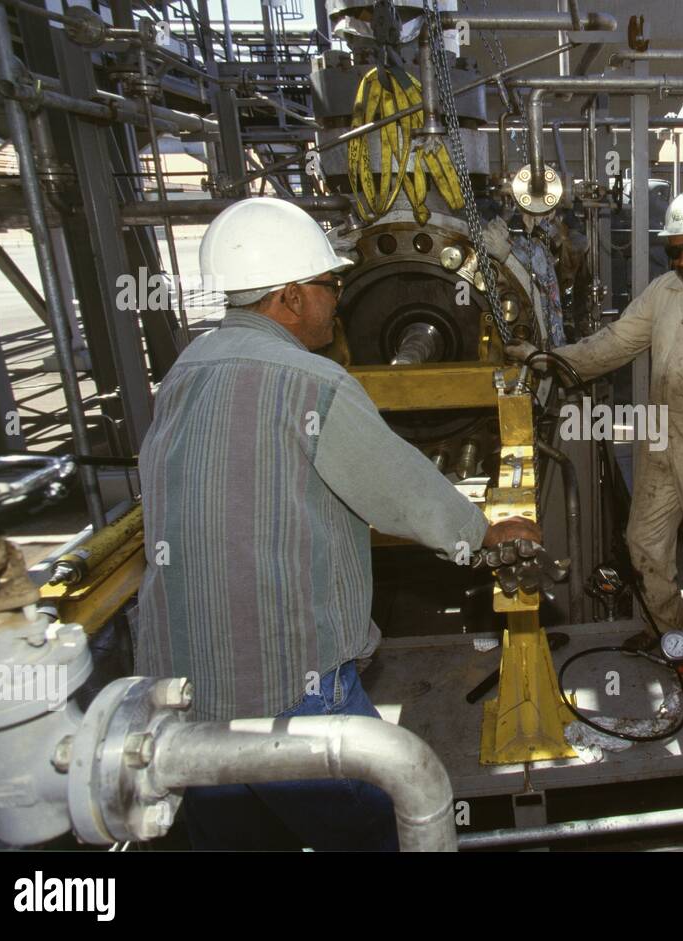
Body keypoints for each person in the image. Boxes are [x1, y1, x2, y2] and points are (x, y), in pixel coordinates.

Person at [135, 197, 539, 850]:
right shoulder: (312, 382)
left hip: (179, 691)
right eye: (331, 285)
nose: (339, 302)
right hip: (287, 679)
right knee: (384, 827)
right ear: (291, 296)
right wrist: (485, 532)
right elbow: (397, 487)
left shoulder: (185, 370)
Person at [507, 189, 683, 649]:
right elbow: (615, 342)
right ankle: (668, 629)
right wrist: (547, 359)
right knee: (643, 543)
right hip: (661, 439)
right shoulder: (664, 292)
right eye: (674, 251)